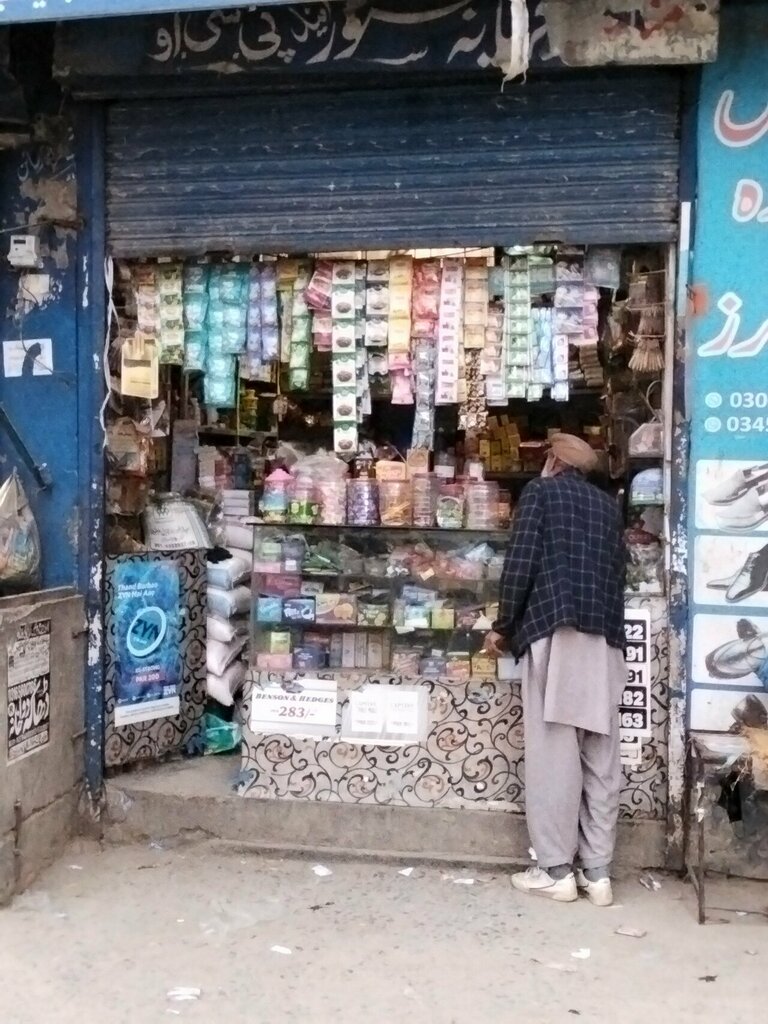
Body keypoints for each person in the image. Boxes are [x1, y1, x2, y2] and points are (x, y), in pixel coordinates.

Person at [484, 433, 626, 906]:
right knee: (600, 759)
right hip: (605, 641)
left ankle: (556, 870)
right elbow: (618, 575)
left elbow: (519, 567)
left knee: (554, 757)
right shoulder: (609, 509)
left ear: (552, 462)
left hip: (555, 631)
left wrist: (502, 627)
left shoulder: (540, 494)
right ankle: (599, 873)